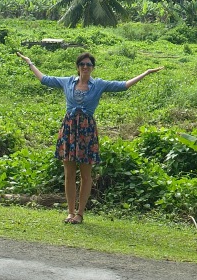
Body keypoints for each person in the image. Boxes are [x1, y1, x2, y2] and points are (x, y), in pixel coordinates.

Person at [16, 50, 163, 224]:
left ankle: (80, 214)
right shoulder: (67, 82)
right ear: (78, 67)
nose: (85, 67)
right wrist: (30, 62)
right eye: (82, 64)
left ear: (92, 68)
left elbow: (123, 85)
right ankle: (70, 212)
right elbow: (44, 79)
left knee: (86, 175)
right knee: (69, 173)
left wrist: (146, 73)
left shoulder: (99, 85)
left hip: (87, 131)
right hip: (69, 129)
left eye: (88, 65)